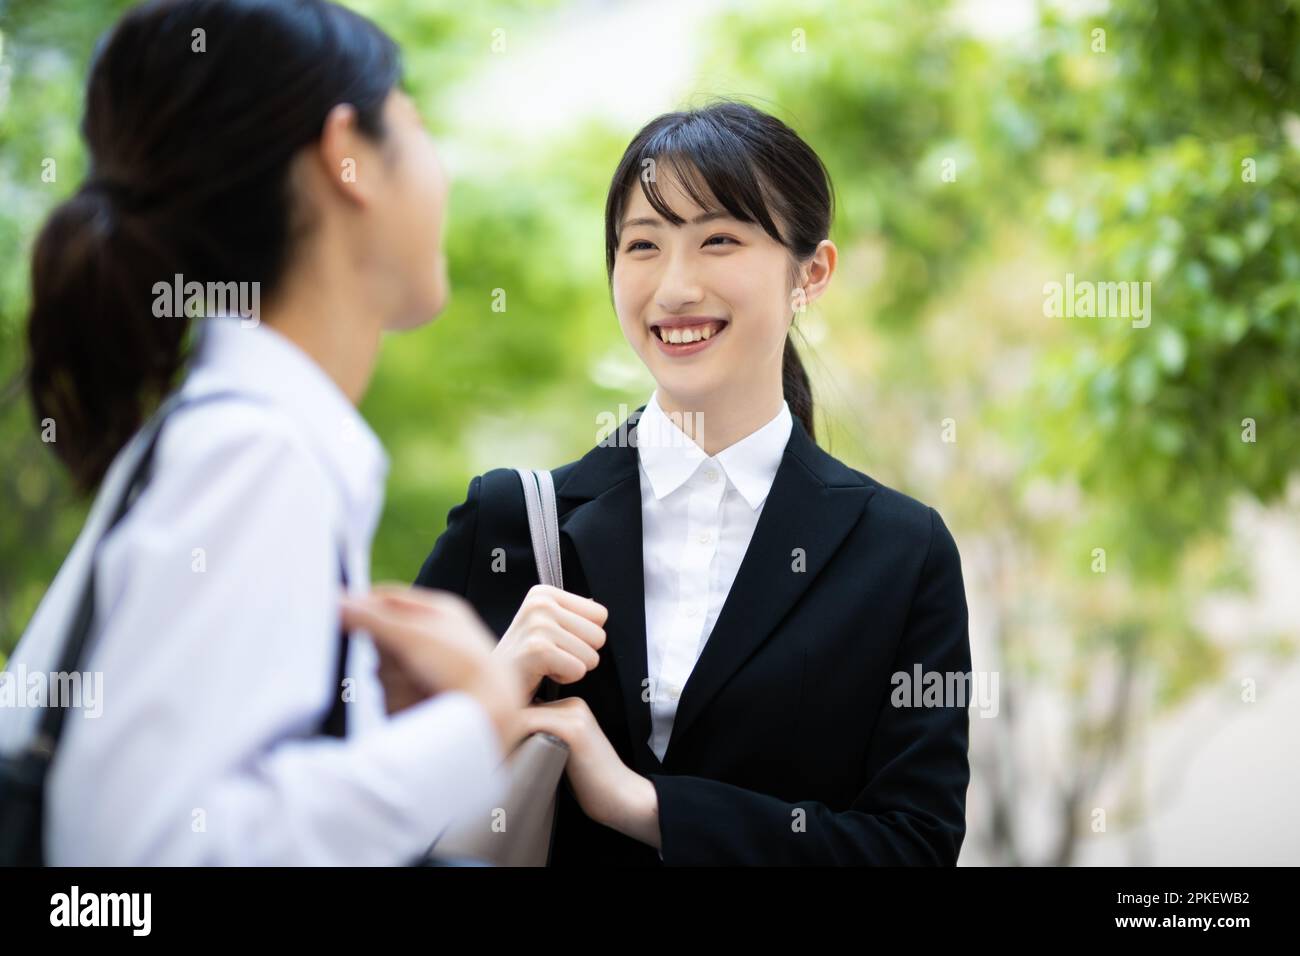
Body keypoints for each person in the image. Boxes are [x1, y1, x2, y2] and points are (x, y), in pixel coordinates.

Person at [0, 0, 558, 866]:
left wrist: (373, 727)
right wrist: (476, 722)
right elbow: (133, 864)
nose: (439, 173)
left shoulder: (224, 437)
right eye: (411, 123)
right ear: (348, 155)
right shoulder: (255, 453)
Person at [416, 101, 973, 865]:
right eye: (642, 245)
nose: (674, 288)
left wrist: (647, 806)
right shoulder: (510, 523)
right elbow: (357, 799)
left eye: (718, 240)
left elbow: (915, 846)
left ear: (810, 274)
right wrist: (496, 684)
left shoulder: (902, 553)